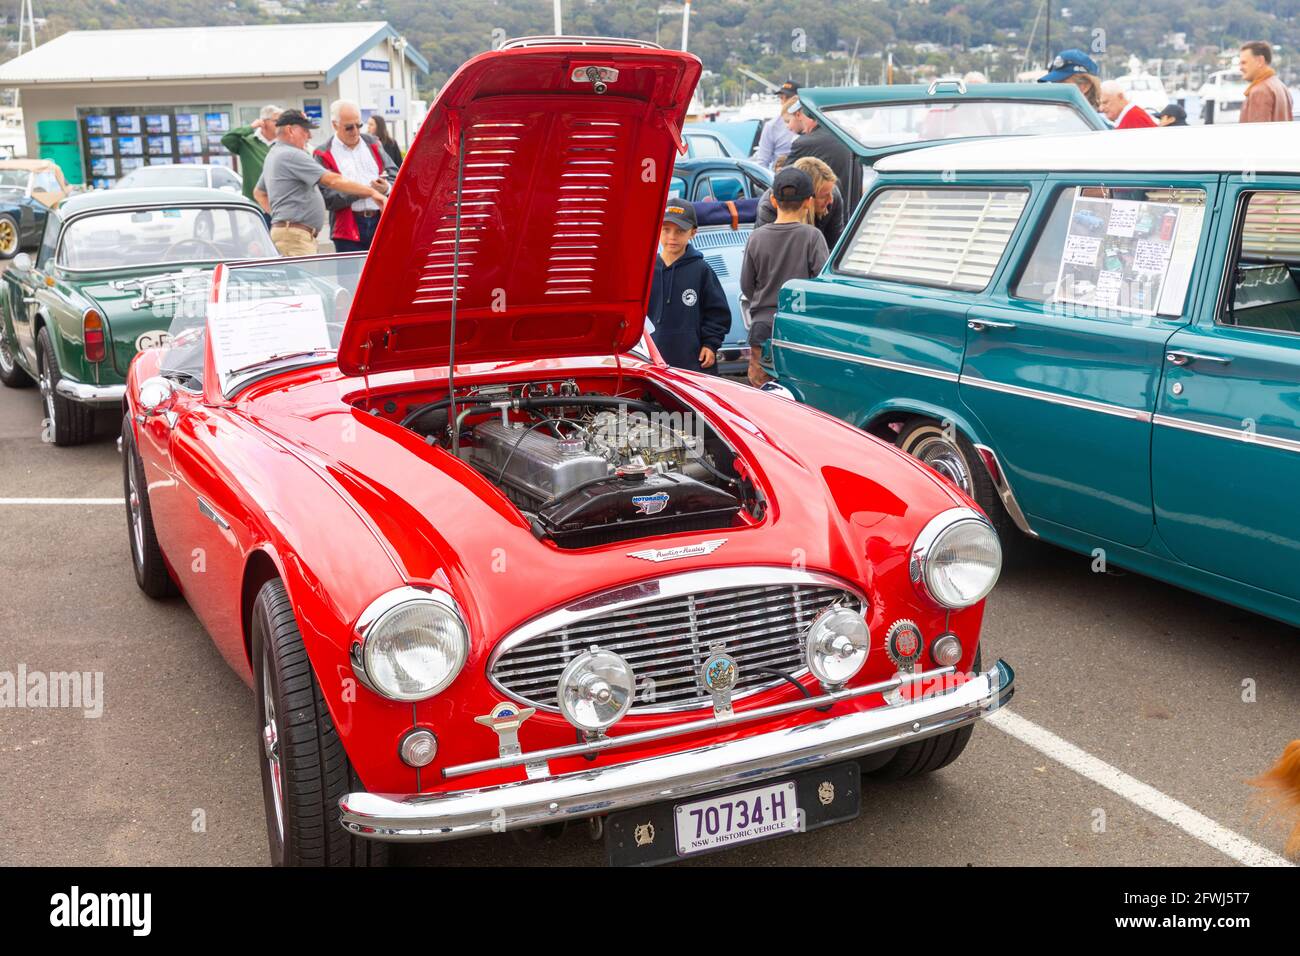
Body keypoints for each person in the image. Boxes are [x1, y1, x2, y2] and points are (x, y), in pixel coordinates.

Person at [252, 109, 387, 258]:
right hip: (295, 238)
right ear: (290, 130)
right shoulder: (291, 154)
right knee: (304, 281)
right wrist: (372, 192)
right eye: (305, 130)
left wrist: (282, 219)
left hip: (292, 233)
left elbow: (259, 193)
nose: (309, 136)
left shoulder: (275, 153)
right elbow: (333, 180)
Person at [741, 167, 829, 387]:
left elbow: (747, 285)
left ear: (772, 199)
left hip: (762, 326)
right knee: (798, 394)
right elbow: (822, 284)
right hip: (799, 327)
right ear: (808, 201)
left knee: (762, 393)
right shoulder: (813, 236)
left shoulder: (756, 237)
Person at [647, 200, 731, 375]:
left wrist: (710, 344)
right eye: (666, 229)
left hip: (692, 361)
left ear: (693, 232)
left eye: (680, 231)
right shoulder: (645, 271)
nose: (672, 237)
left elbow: (718, 313)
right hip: (651, 360)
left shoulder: (702, 270)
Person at [314, 100, 399, 253]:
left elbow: (395, 174)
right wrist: (364, 191)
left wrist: (387, 188)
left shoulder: (373, 143)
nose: (355, 131)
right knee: (350, 277)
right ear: (335, 125)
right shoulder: (323, 153)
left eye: (359, 125)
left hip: (381, 223)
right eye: (349, 127)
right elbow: (328, 198)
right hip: (347, 229)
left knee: (384, 275)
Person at [784, 97, 859, 211]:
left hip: (826, 212)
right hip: (853, 213)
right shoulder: (849, 136)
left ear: (799, 114)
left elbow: (785, 180)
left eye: (788, 120)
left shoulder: (805, 143)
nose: (788, 127)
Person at [755, 155, 844, 249]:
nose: (830, 200)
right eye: (823, 196)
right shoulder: (770, 207)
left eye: (831, 192)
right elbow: (772, 253)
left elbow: (837, 246)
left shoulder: (833, 197)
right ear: (807, 198)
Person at [220, 104, 281, 205]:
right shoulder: (247, 142)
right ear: (264, 122)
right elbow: (226, 139)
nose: (280, 124)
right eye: (276, 121)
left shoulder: (283, 144)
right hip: (255, 204)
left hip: (279, 204)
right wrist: (251, 126)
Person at [1239, 40, 1294, 123]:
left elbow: (1258, 132)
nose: (1240, 67)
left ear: (1260, 61)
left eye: (1244, 63)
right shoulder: (1281, 87)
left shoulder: (1259, 91)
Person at [754, 80, 800, 170]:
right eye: (782, 98)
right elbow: (762, 162)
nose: (785, 101)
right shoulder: (771, 126)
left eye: (789, 97)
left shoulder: (812, 124)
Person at [1038, 48, 1103, 111]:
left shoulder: (1092, 121)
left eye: (1061, 85)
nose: (1055, 91)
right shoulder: (1056, 118)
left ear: (1085, 86)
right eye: (1053, 84)